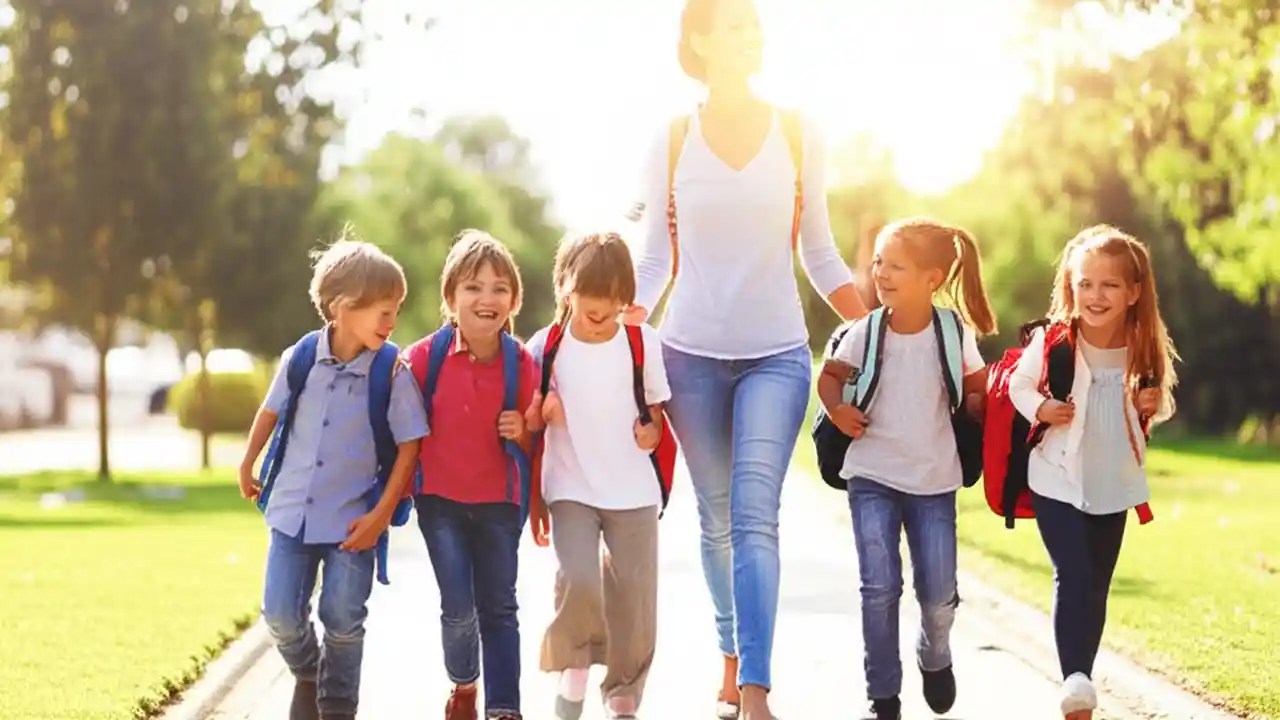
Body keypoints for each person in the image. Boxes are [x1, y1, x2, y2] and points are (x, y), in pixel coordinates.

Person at [626, 1, 868, 716]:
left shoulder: (798, 131)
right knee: (716, 517)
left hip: (777, 355)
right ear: (699, 41)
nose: (750, 36)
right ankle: (731, 651)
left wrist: (880, 331)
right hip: (689, 355)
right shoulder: (672, 139)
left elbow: (818, 252)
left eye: (754, 25)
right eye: (734, 25)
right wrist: (614, 324)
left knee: (757, 514)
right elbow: (655, 259)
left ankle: (756, 687)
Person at [238, 236, 429, 720]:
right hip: (292, 513)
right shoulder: (301, 357)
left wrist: (380, 516)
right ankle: (309, 671)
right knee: (281, 615)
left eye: (396, 310)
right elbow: (270, 411)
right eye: (383, 311)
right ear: (343, 306)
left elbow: (411, 446)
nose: (392, 321)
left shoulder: (391, 372)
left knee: (343, 619)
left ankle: (338, 705)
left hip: (353, 522)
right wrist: (247, 461)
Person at [817, 218, 996, 720]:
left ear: (931, 278)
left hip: (934, 480)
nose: (881, 273)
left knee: (937, 594)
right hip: (871, 474)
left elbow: (977, 386)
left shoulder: (952, 333)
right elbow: (829, 378)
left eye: (895, 265)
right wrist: (838, 410)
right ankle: (883, 697)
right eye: (878, 262)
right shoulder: (864, 331)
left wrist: (981, 407)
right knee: (878, 588)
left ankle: (934, 654)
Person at [1009, 226, 1178, 720]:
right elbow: (1019, 385)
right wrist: (1041, 408)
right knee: (1074, 572)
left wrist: (1151, 404)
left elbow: (1160, 403)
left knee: (1097, 582)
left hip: (1112, 479)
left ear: (1133, 293)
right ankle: (1075, 681)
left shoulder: (1142, 344)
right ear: (1071, 286)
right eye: (1085, 284)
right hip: (1055, 475)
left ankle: (1081, 678)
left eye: (1109, 285)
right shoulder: (1055, 339)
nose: (1095, 295)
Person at [526, 231, 672, 720]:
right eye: (592, 303)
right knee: (579, 577)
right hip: (570, 486)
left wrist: (651, 432)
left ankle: (624, 691)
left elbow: (655, 410)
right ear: (566, 288)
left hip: (633, 489)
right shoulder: (546, 346)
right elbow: (527, 418)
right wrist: (542, 411)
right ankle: (574, 664)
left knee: (634, 595)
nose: (603, 314)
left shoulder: (641, 342)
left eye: (614, 304)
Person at [402, 230, 540, 720]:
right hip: (439, 503)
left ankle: (504, 708)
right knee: (458, 606)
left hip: (500, 504)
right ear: (450, 297)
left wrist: (522, 430)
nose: (487, 298)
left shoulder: (521, 363)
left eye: (500, 288)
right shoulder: (423, 359)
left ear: (514, 301)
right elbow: (400, 433)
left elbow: (534, 440)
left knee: (500, 606)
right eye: (473, 287)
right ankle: (464, 684)